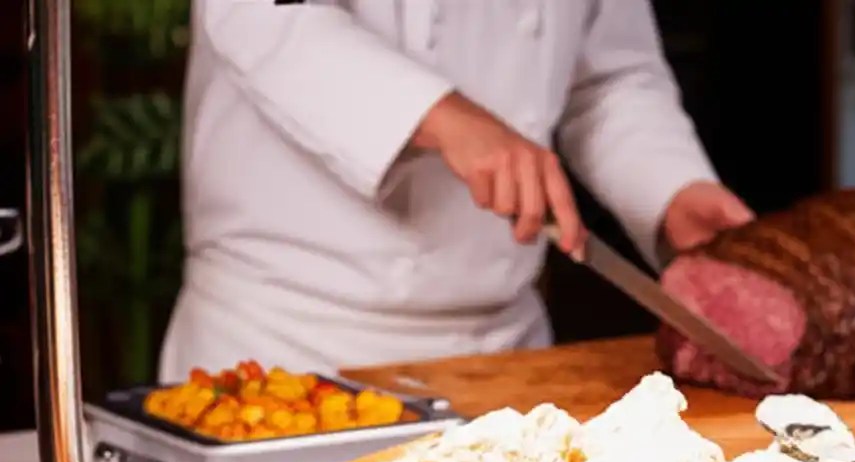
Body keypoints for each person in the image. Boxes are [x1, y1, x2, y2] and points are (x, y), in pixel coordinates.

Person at [158, 0, 754, 384]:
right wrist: (443, 117)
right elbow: (263, 14)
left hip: (506, 359)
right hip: (288, 348)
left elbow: (607, 78)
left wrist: (671, 189)